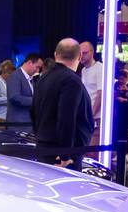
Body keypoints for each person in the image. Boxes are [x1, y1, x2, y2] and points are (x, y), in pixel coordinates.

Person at [33, 38, 93, 170]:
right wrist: (65, 155)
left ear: (56, 54)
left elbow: (34, 114)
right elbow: (66, 118)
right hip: (63, 156)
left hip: (45, 148)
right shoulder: (72, 81)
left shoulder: (42, 79)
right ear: (80, 56)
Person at [4, 53, 41, 130]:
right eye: (37, 67)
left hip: (28, 125)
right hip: (18, 125)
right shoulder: (15, 76)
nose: (38, 70)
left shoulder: (31, 79)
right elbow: (15, 97)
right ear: (29, 63)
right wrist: (37, 100)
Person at [78, 40, 105, 149]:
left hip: (96, 118)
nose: (81, 56)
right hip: (87, 117)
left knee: (93, 151)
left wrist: (91, 115)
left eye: (85, 53)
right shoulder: (84, 70)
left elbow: (101, 94)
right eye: (80, 53)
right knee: (86, 151)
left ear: (92, 52)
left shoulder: (99, 68)